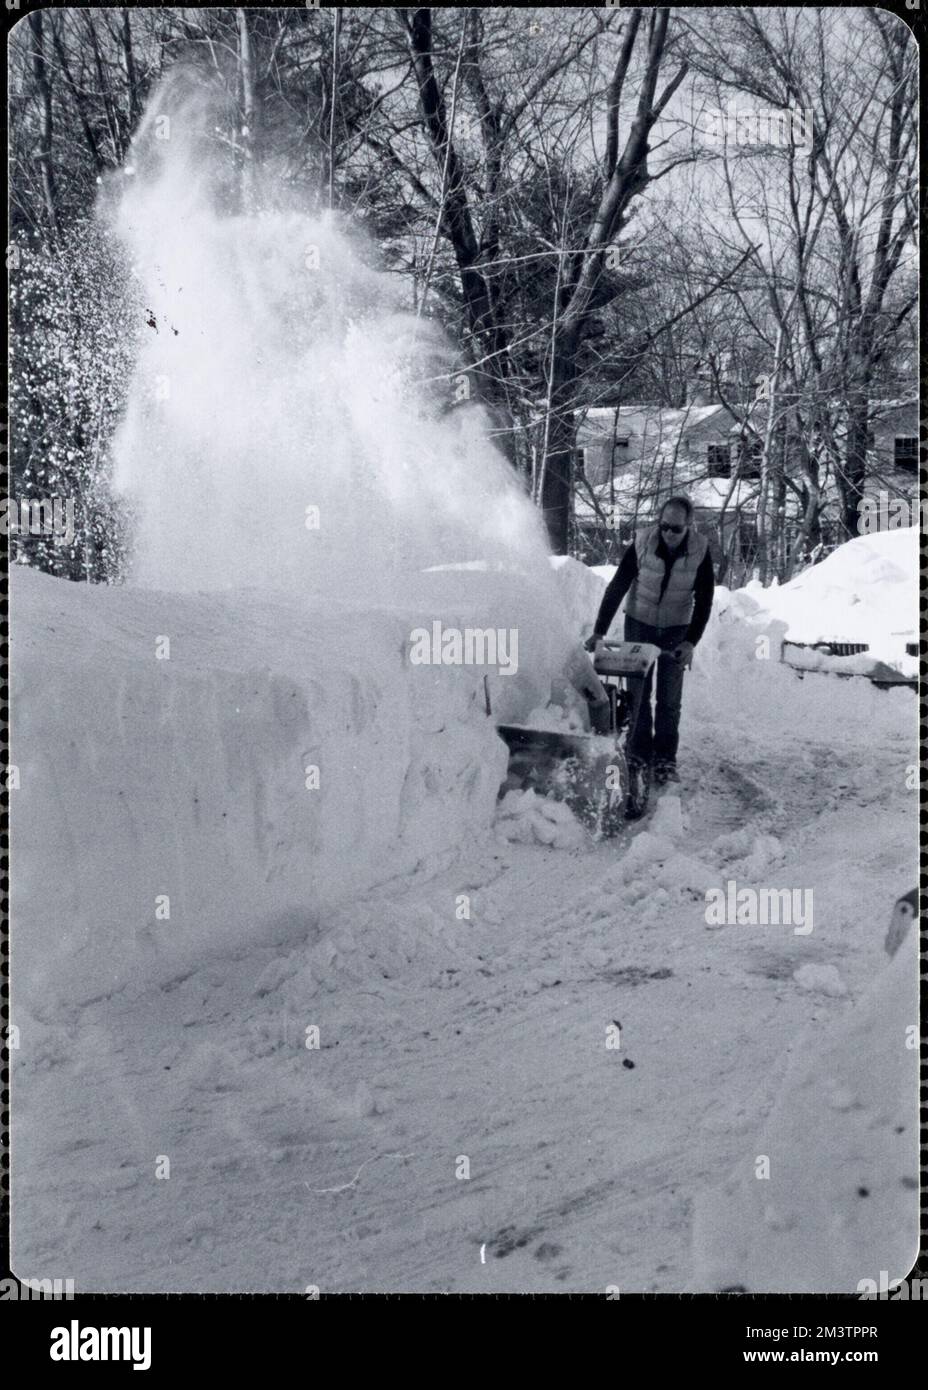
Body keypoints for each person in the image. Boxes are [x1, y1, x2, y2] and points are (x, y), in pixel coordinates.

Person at [585, 496, 714, 814]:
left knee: (670, 700)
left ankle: (665, 760)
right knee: (638, 696)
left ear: (688, 526)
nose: (669, 533)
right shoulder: (642, 543)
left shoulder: (699, 549)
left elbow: (706, 599)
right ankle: (639, 753)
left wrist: (691, 641)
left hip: (676, 629)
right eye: (665, 526)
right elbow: (617, 586)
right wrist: (600, 630)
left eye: (676, 528)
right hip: (639, 623)